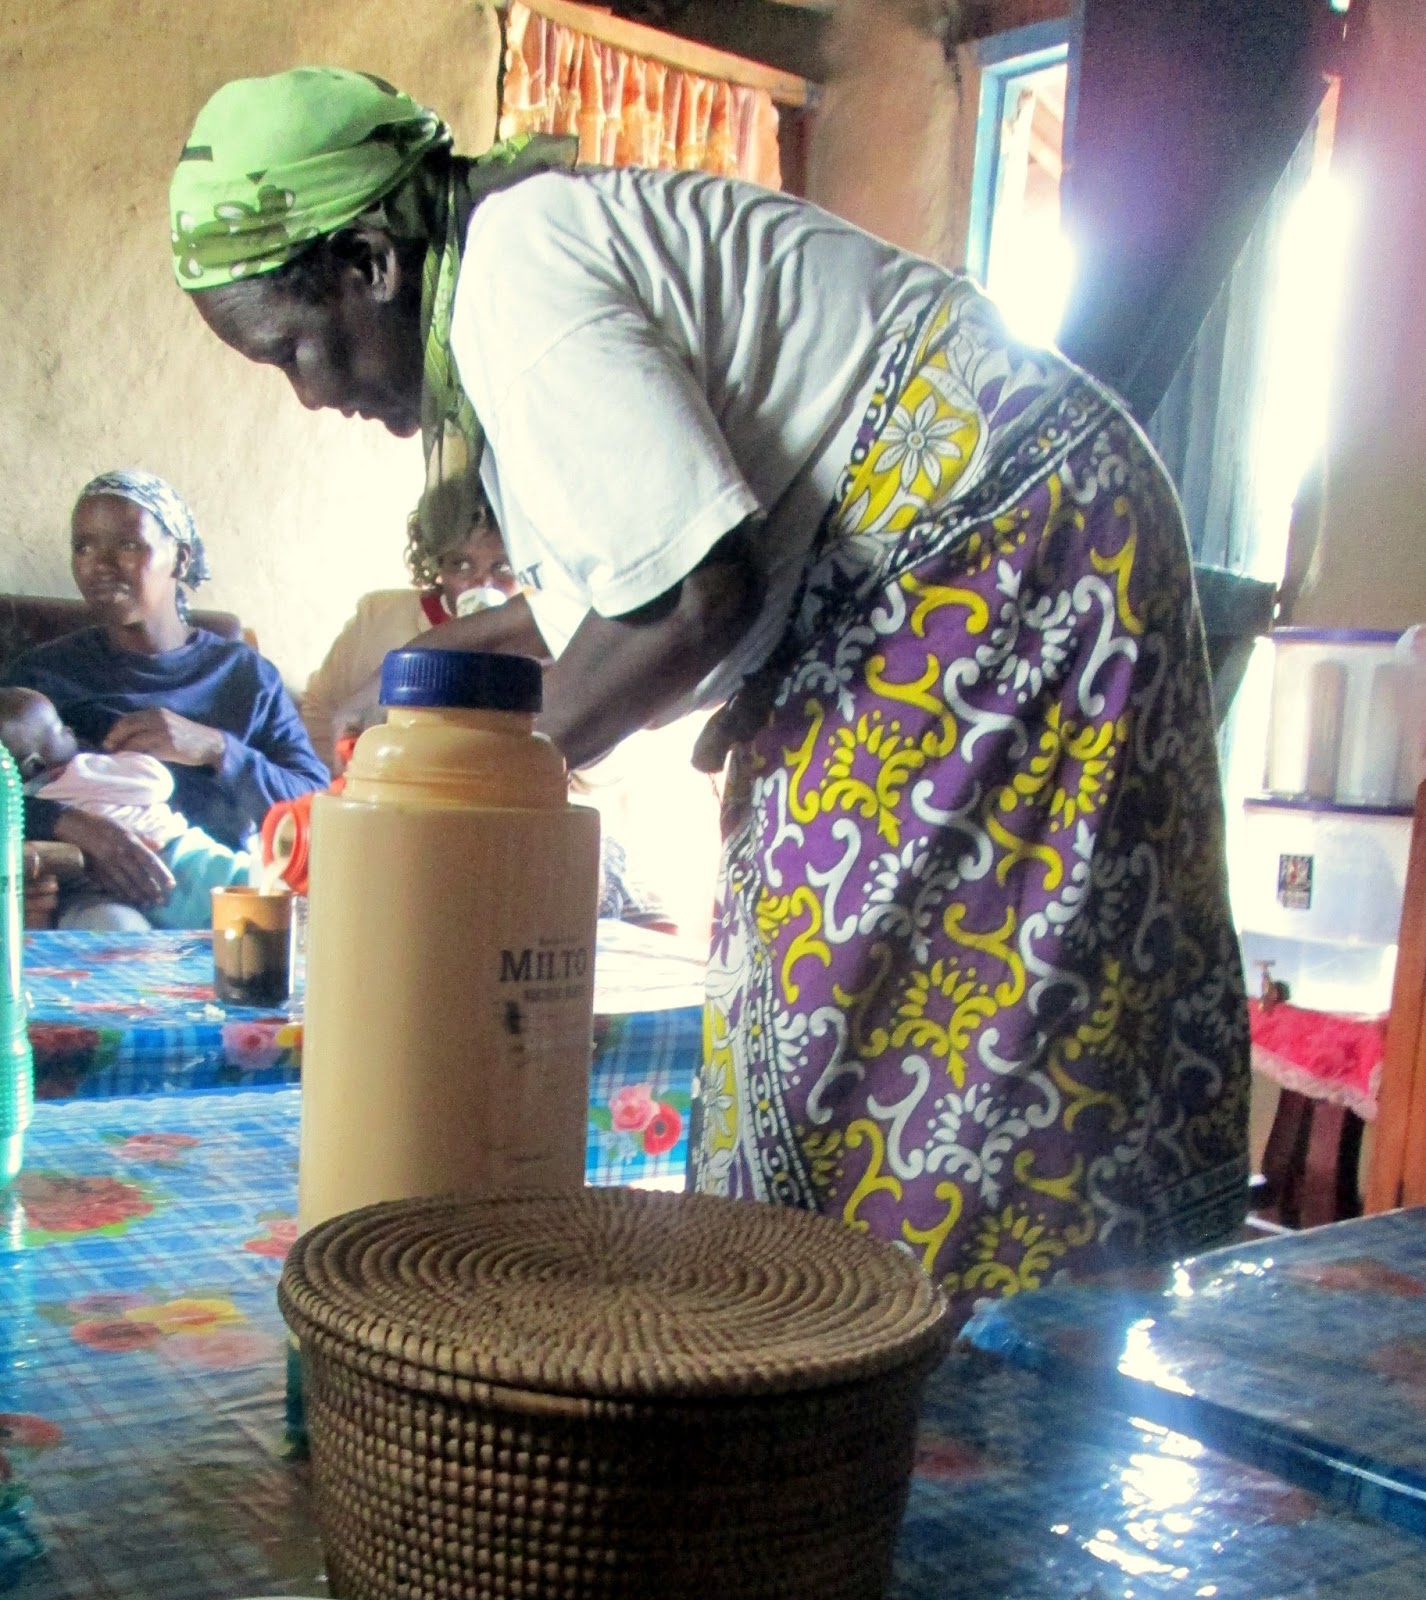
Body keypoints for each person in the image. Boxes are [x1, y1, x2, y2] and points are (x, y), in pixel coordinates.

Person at [171, 69, 1250, 1314]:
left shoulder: (517, 275)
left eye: (294, 347)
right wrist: (437, 695)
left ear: (369, 260)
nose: (310, 392)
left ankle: (941, 1386)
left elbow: (697, 596)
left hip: (997, 551)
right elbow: (620, 582)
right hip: (998, 537)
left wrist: (454, 815)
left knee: (895, 1023)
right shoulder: (519, 270)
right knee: (826, 1002)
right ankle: (895, 1367)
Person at [6, 470, 327, 924]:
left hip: (223, 886)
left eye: (128, 544)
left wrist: (217, 748)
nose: (99, 563)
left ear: (180, 558)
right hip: (98, 900)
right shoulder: (43, 677)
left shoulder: (243, 675)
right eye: (83, 547)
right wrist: (76, 826)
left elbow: (316, 806)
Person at [0, 687, 255, 929]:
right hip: (178, 858)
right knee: (254, 886)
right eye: (60, 730)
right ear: (34, 765)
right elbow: (157, 782)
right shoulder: (84, 768)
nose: (70, 729)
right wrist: (124, 758)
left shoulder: (18, 800)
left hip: (139, 877)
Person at [301, 500, 517, 771]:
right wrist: (337, 782)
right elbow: (322, 709)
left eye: (502, 568)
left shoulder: (544, 642)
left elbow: (580, 774)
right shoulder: (378, 617)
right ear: (436, 564)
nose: (483, 583)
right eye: (461, 566)